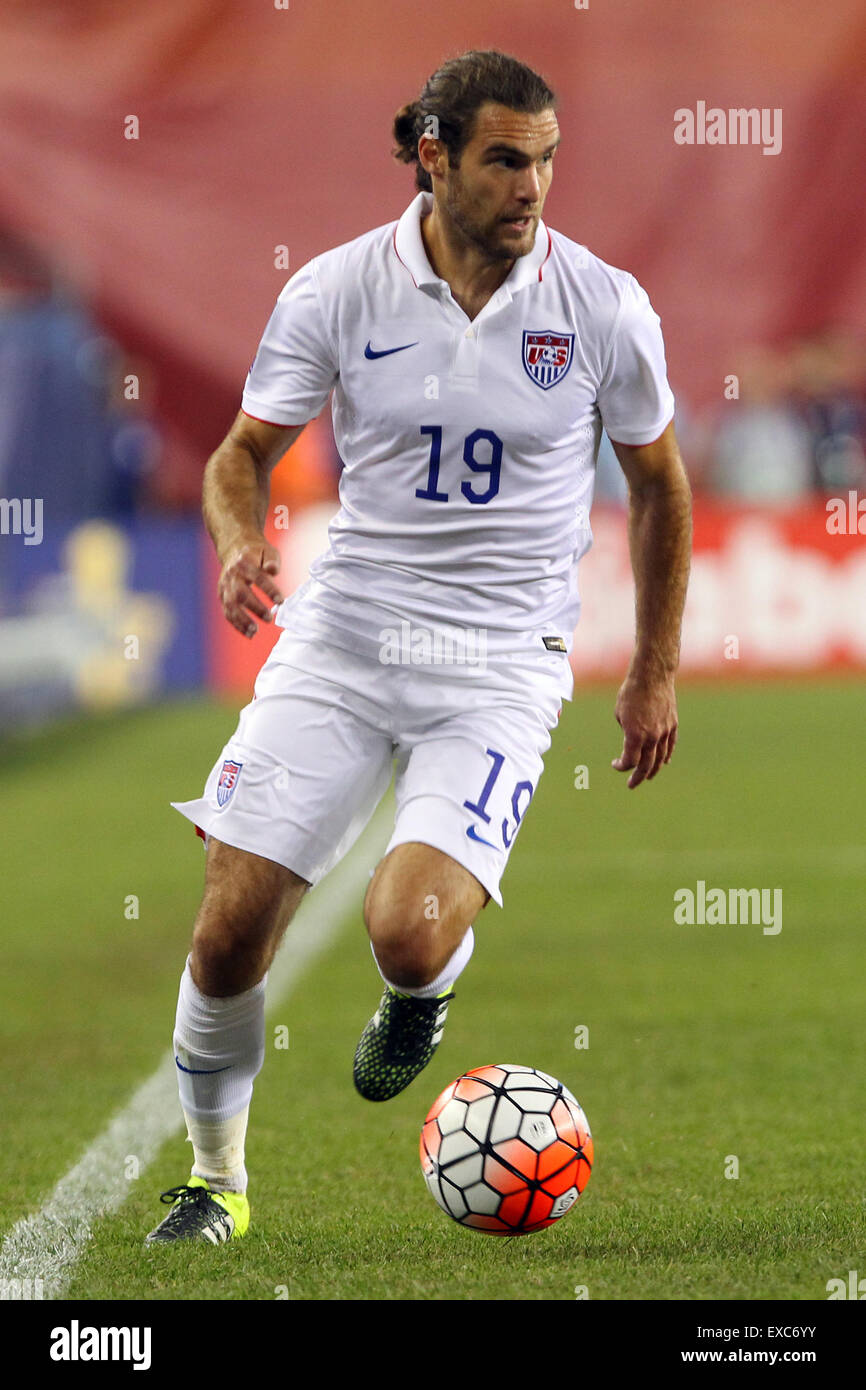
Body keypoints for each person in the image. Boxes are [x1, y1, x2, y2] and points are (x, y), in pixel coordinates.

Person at [146, 50, 691, 1245]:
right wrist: (241, 541)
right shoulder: (337, 291)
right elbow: (240, 453)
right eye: (505, 159)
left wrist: (651, 666)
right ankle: (215, 1180)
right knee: (228, 923)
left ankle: (419, 993)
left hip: (498, 664)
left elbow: (657, 482)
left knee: (406, 925)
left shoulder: (601, 304)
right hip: (342, 639)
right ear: (432, 155)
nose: (533, 187)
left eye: (546, 160)